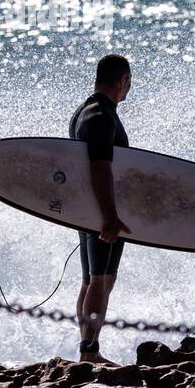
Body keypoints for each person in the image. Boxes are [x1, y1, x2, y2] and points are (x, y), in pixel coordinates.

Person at [68, 53, 132, 364]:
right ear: (122, 81)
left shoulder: (84, 111)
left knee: (90, 279)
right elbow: (100, 169)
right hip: (101, 211)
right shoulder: (102, 116)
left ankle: (87, 347)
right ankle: (89, 353)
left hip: (87, 210)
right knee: (101, 279)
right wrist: (109, 216)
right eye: (129, 83)